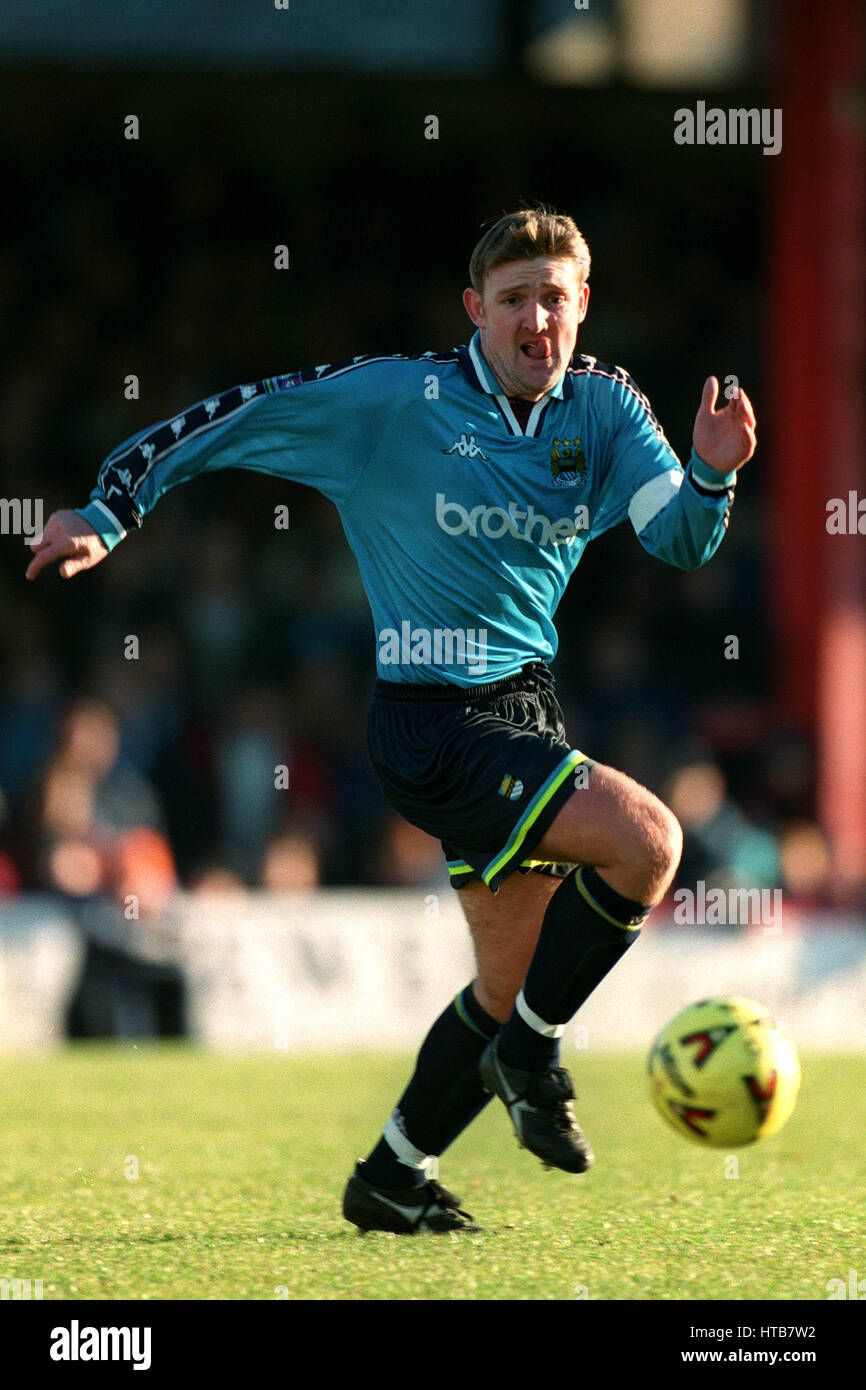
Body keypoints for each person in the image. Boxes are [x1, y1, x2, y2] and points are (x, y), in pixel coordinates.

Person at [26, 207, 756, 1234]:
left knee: (501, 985)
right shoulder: (393, 401)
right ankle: (535, 1055)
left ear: (581, 306)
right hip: (428, 722)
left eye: (553, 298)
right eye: (513, 301)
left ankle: (392, 1173)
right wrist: (110, 508)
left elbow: (676, 541)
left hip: (523, 714)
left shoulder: (605, 412)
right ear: (475, 311)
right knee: (649, 842)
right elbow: (235, 414)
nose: (534, 320)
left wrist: (714, 470)